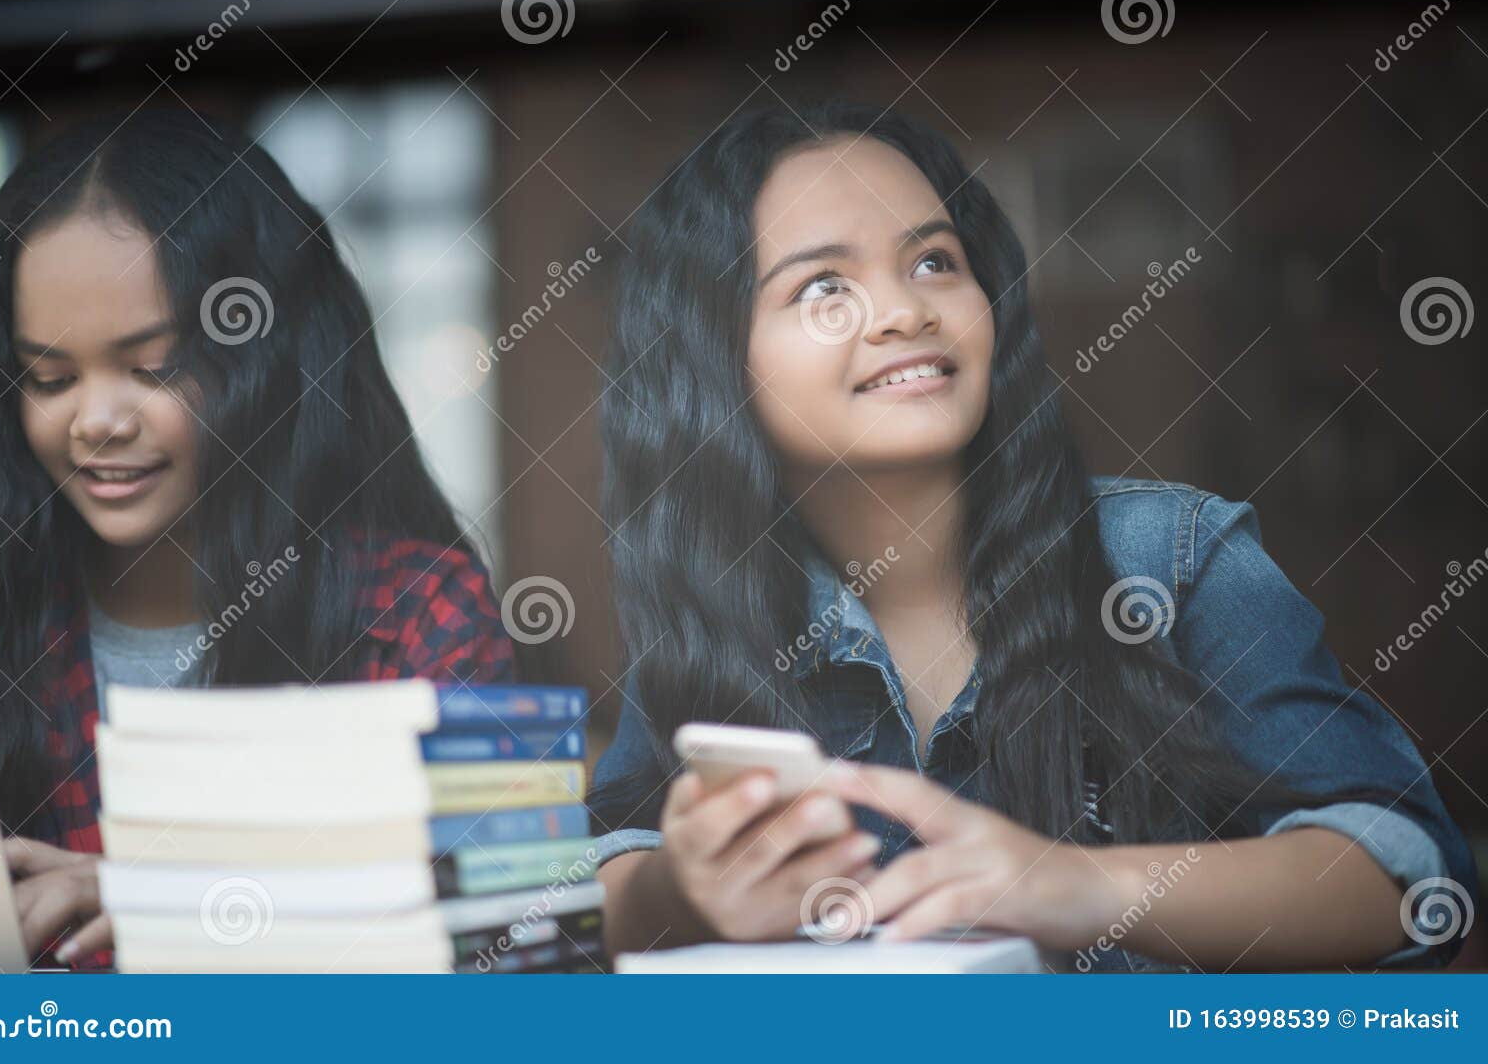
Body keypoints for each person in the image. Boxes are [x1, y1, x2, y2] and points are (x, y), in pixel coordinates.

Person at [588, 101, 1477, 970]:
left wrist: (1073, 887)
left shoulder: (1172, 559)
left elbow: (1409, 874)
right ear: (711, 356)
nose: (905, 310)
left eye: (935, 260)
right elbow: (607, 886)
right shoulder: (715, 603)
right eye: (824, 285)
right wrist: (681, 893)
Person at [0, 109, 516, 967]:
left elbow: (522, 936)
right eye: (49, 378)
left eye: (154, 368)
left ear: (266, 361)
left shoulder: (417, 615)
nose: (97, 422)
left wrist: (164, 903)